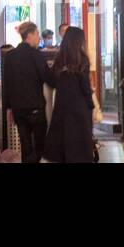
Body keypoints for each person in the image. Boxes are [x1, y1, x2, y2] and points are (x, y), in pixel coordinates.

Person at [2, 21, 54, 164]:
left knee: (26, 146)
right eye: (37, 34)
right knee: (39, 147)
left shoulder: (11, 56)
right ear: (29, 35)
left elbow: (7, 84)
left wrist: (8, 108)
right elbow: (49, 79)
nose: (39, 38)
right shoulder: (36, 55)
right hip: (36, 108)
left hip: (18, 109)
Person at [43, 26, 97, 163]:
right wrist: (91, 106)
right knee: (80, 148)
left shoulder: (60, 60)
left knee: (63, 147)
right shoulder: (82, 59)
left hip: (62, 108)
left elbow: (51, 81)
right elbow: (85, 87)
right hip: (79, 110)